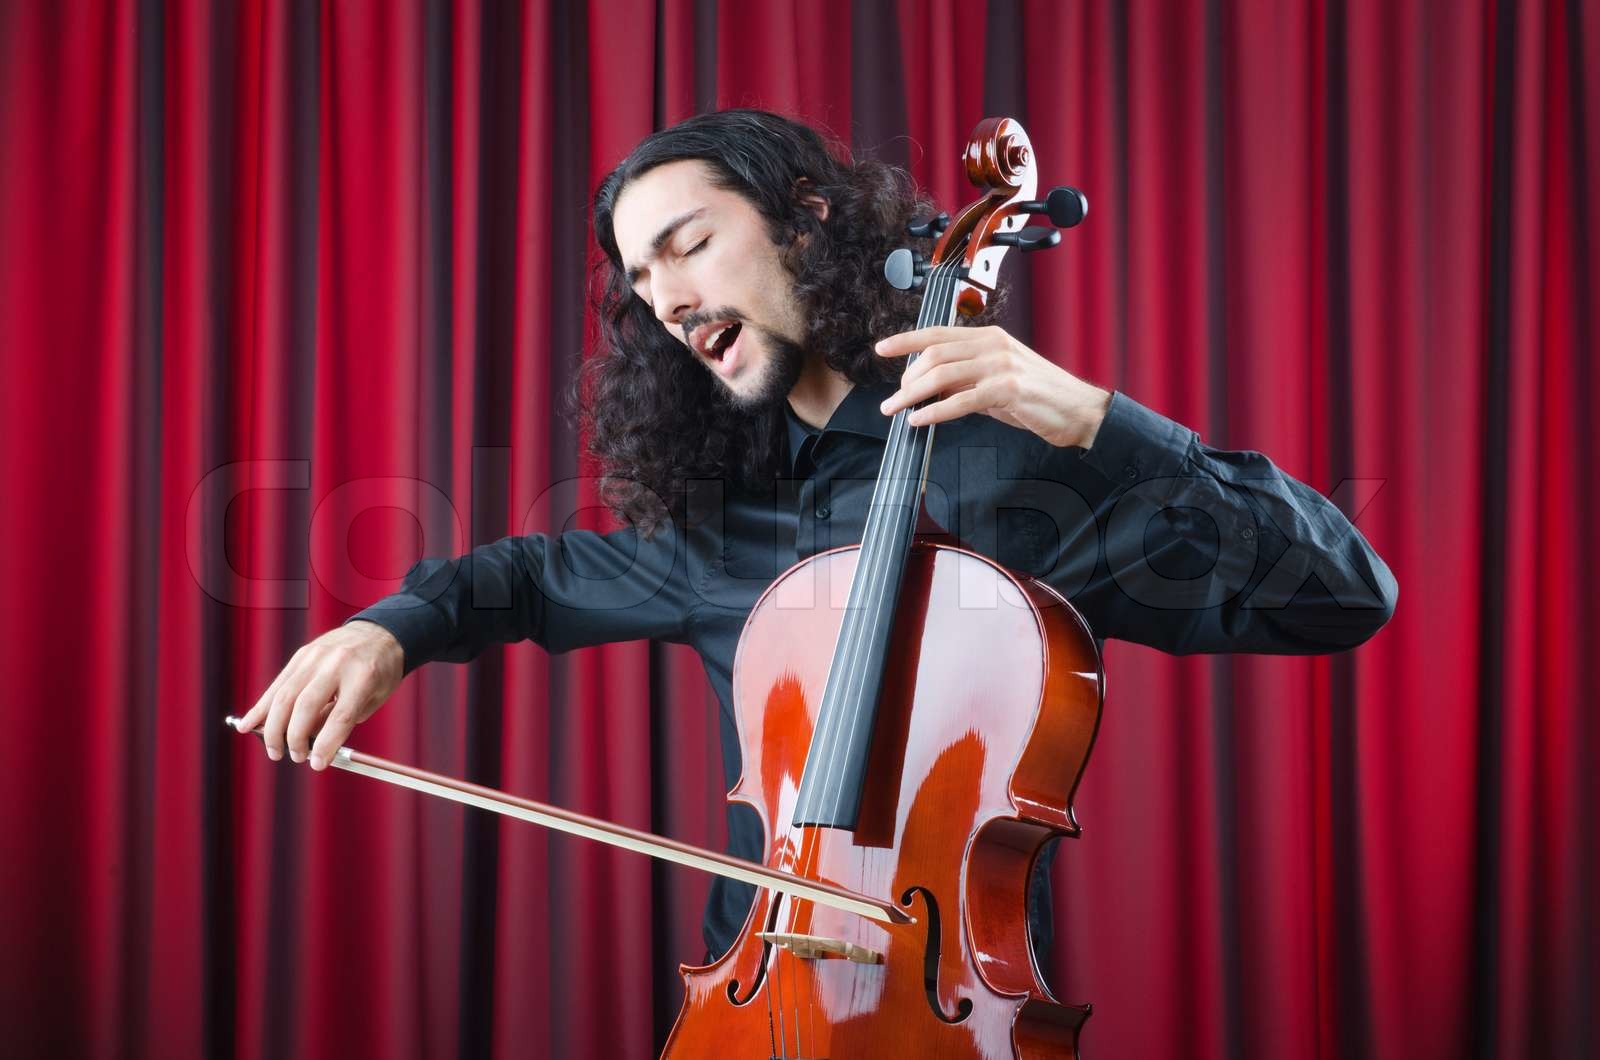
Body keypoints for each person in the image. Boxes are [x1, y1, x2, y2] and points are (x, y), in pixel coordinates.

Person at [235, 109, 1397, 962]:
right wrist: (388, 630)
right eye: (639, 277)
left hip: (950, 994)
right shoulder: (716, 526)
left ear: (810, 219)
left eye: (686, 244)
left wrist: (1095, 417)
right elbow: (527, 576)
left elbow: (1339, 593)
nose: (663, 295)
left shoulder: (1014, 479)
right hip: (746, 990)